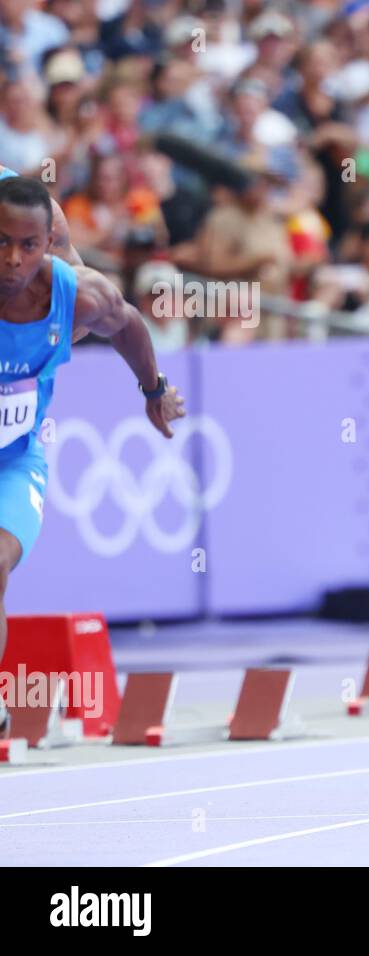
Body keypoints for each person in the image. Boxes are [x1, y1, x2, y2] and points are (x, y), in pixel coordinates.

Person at [0, 176, 185, 737]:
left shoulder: (78, 293)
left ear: (50, 244)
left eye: (28, 245)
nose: (13, 260)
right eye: (2, 243)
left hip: (14, 459)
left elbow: (126, 324)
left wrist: (154, 390)